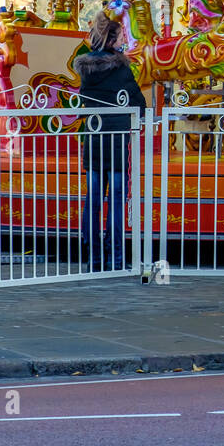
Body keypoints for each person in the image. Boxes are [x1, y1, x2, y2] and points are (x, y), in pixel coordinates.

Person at [73, 15, 146, 272]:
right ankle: (115, 258)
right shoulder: (121, 68)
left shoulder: (85, 69)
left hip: (94, 140)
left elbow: (84, 102)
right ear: (112, 39)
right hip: (115, 142)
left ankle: (93, 258)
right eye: (122, 36)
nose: (124, 40)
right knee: (115, 201)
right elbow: (139, 103)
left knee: (93, 200)